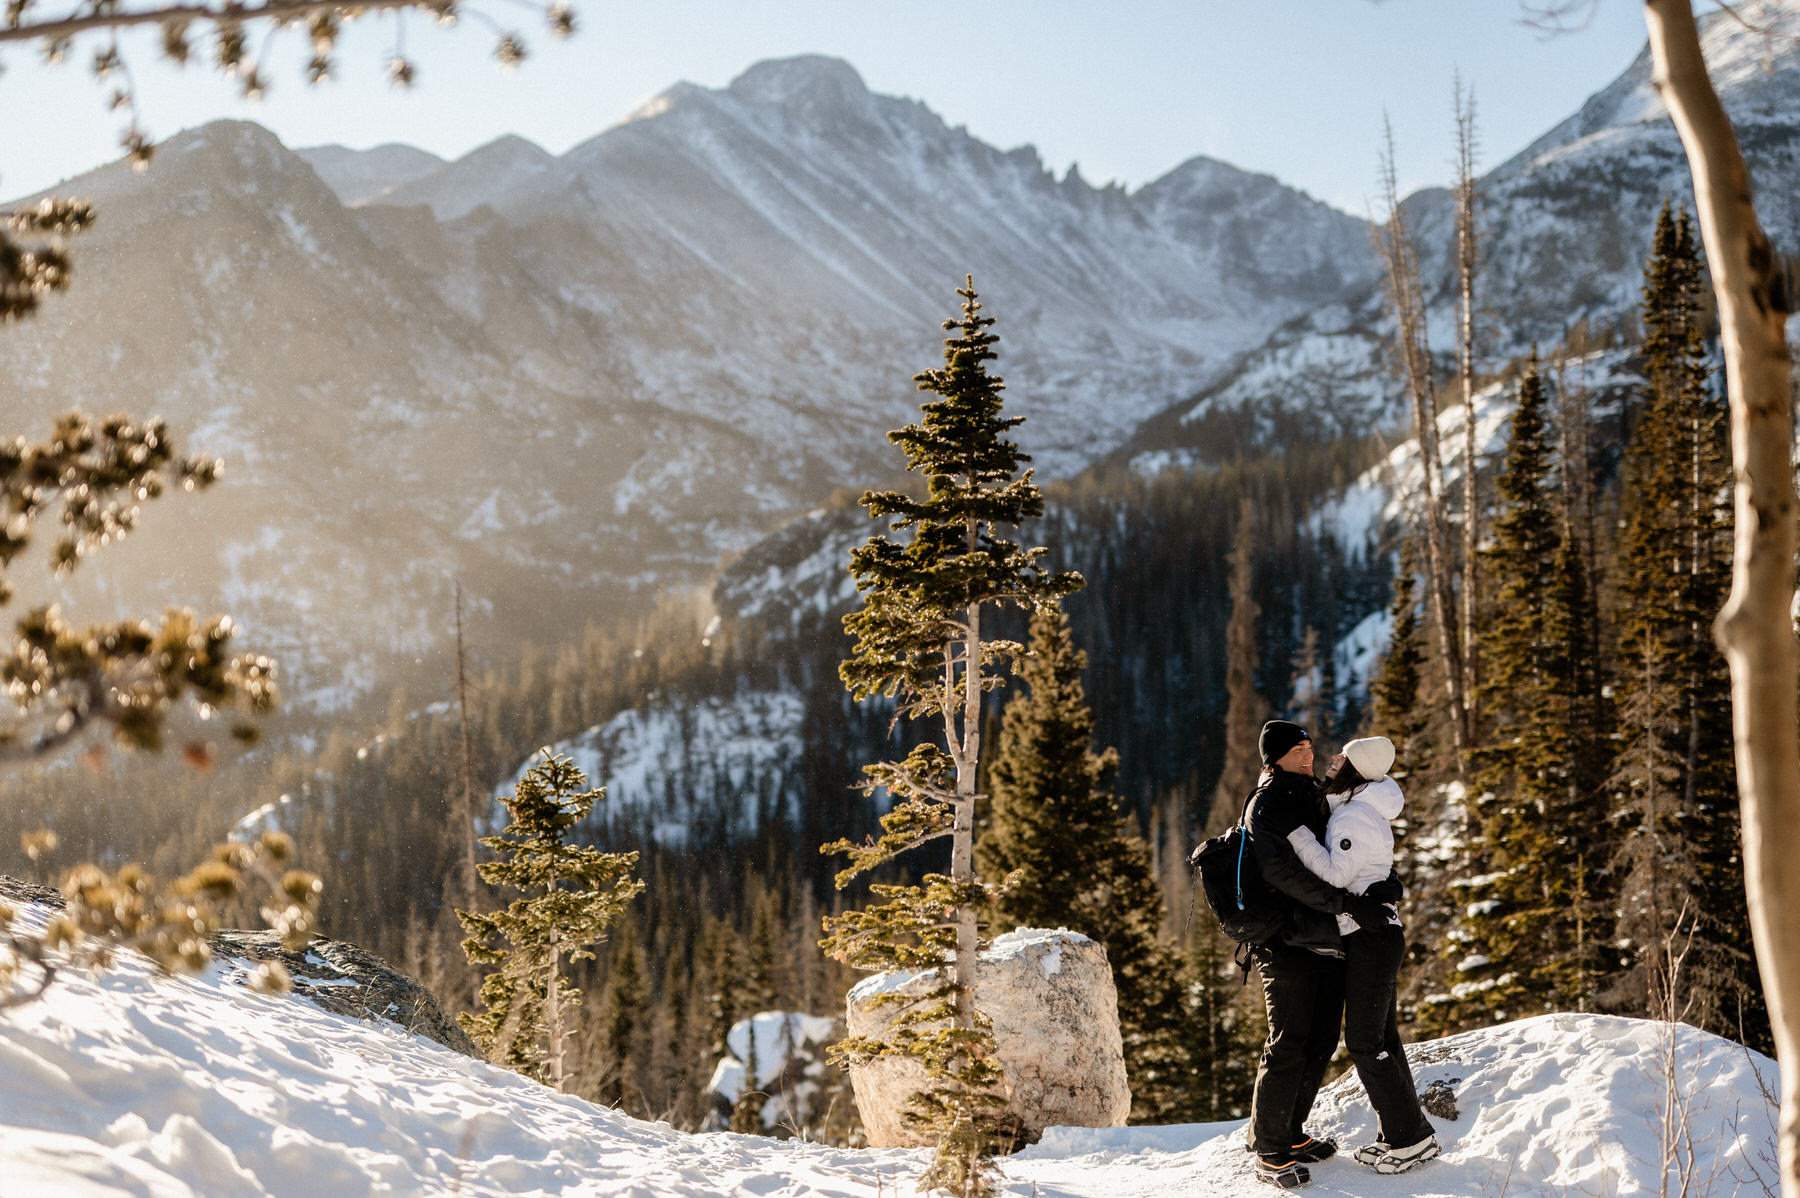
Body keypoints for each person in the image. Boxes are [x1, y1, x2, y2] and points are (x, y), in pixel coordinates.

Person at [1242, 720, 1396, 1190]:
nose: (1308, 753)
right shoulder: (1267, 803)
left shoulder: (1312, 793)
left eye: (1309, 745)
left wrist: (1383, 885)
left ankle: (1290, 1133)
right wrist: (1349, 905)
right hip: (1283, 938)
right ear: (1274, 757)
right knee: (1288, 1041)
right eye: (1297, 748)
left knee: (1321, 1038)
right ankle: (1268, 1149)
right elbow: (1282, 873)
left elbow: (1349, 850)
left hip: (1324, 936)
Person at [1286, 735, 1439, 1175]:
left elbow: (1336, 874)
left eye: (1343, 756)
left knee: (1365, 1042)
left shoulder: (1353, 816)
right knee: (1383, 1039)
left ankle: (1410, 1140)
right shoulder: (1359, 811)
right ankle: (1402, 1133)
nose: (1333, 759)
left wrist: (1296, 836)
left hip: (1370, 938)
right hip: (1377, 935)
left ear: (1356, 769)